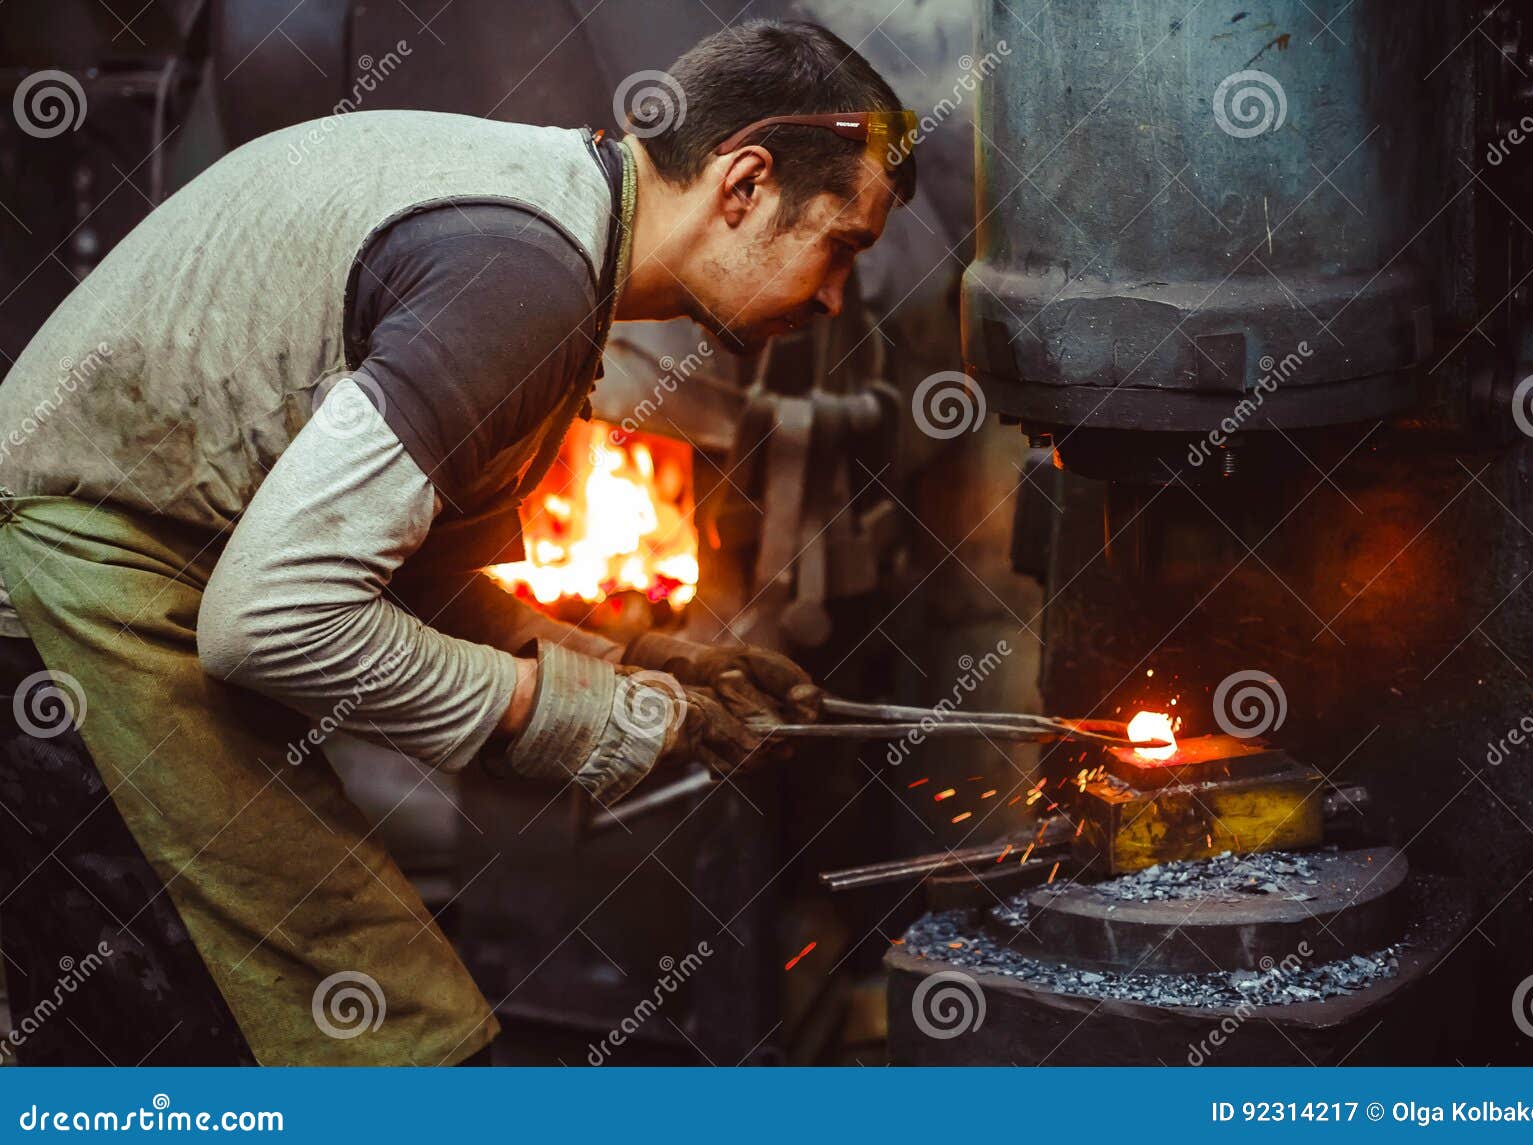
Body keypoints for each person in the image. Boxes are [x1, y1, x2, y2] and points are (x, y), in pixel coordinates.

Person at [0, 18, 915, 1065]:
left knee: (358, 1020)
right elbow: (271, 620)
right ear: (743, 183)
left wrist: (637, 659)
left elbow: (404, 576)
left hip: (129, 578)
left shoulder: (550, 226)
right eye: (841, 245)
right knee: (370, 1041)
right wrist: (590, 713)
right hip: (60, 608)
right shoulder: (522, 274)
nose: (840, 295)